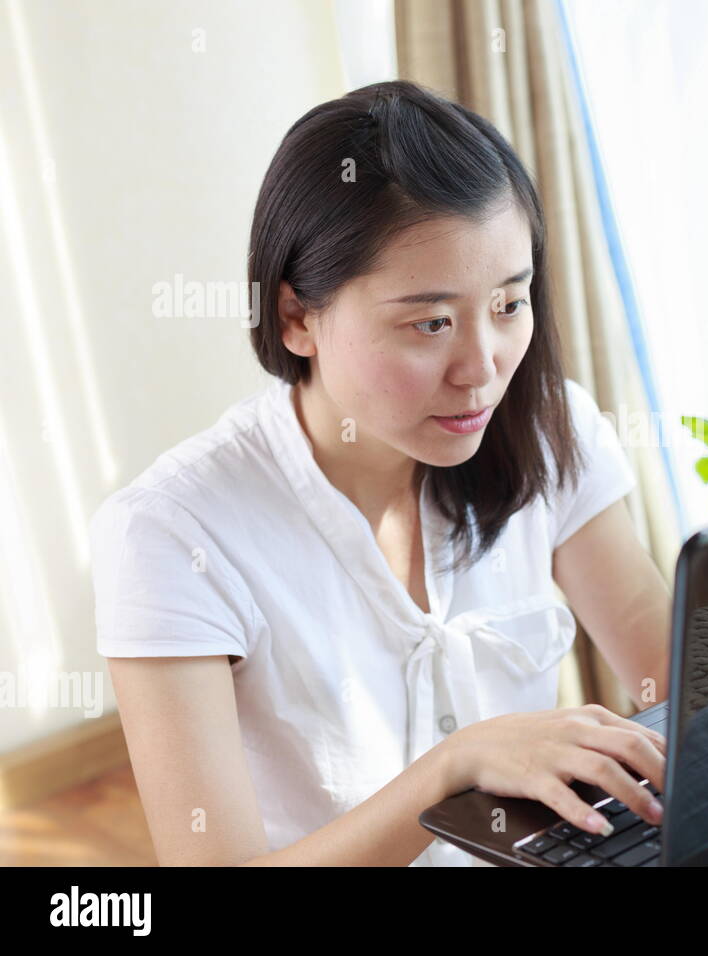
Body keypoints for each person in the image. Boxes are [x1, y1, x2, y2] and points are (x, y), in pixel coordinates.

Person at [89, 80, 672, 867]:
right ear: (297, 317)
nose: (481, 369)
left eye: (509, 304)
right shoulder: (173, 533)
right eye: (429, 323)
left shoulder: (545, 430)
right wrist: (452, 770)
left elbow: (672, 685)